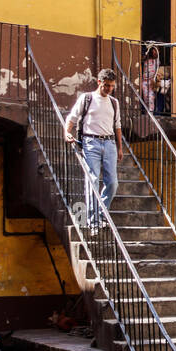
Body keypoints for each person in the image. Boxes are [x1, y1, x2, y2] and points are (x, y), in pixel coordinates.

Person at [63, 69, 123, 231]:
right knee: (93, 179)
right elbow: (72, 118)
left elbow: (117, 125)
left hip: (109, 143)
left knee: (113, 183)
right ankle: (93, 220)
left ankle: (102, 213)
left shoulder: (114, 102)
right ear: (99, 82)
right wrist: (67, 133)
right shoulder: (87, 98)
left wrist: (120, 148)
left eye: (111, 86)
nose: (109, 89)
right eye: (106, 85)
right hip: (91, 142)